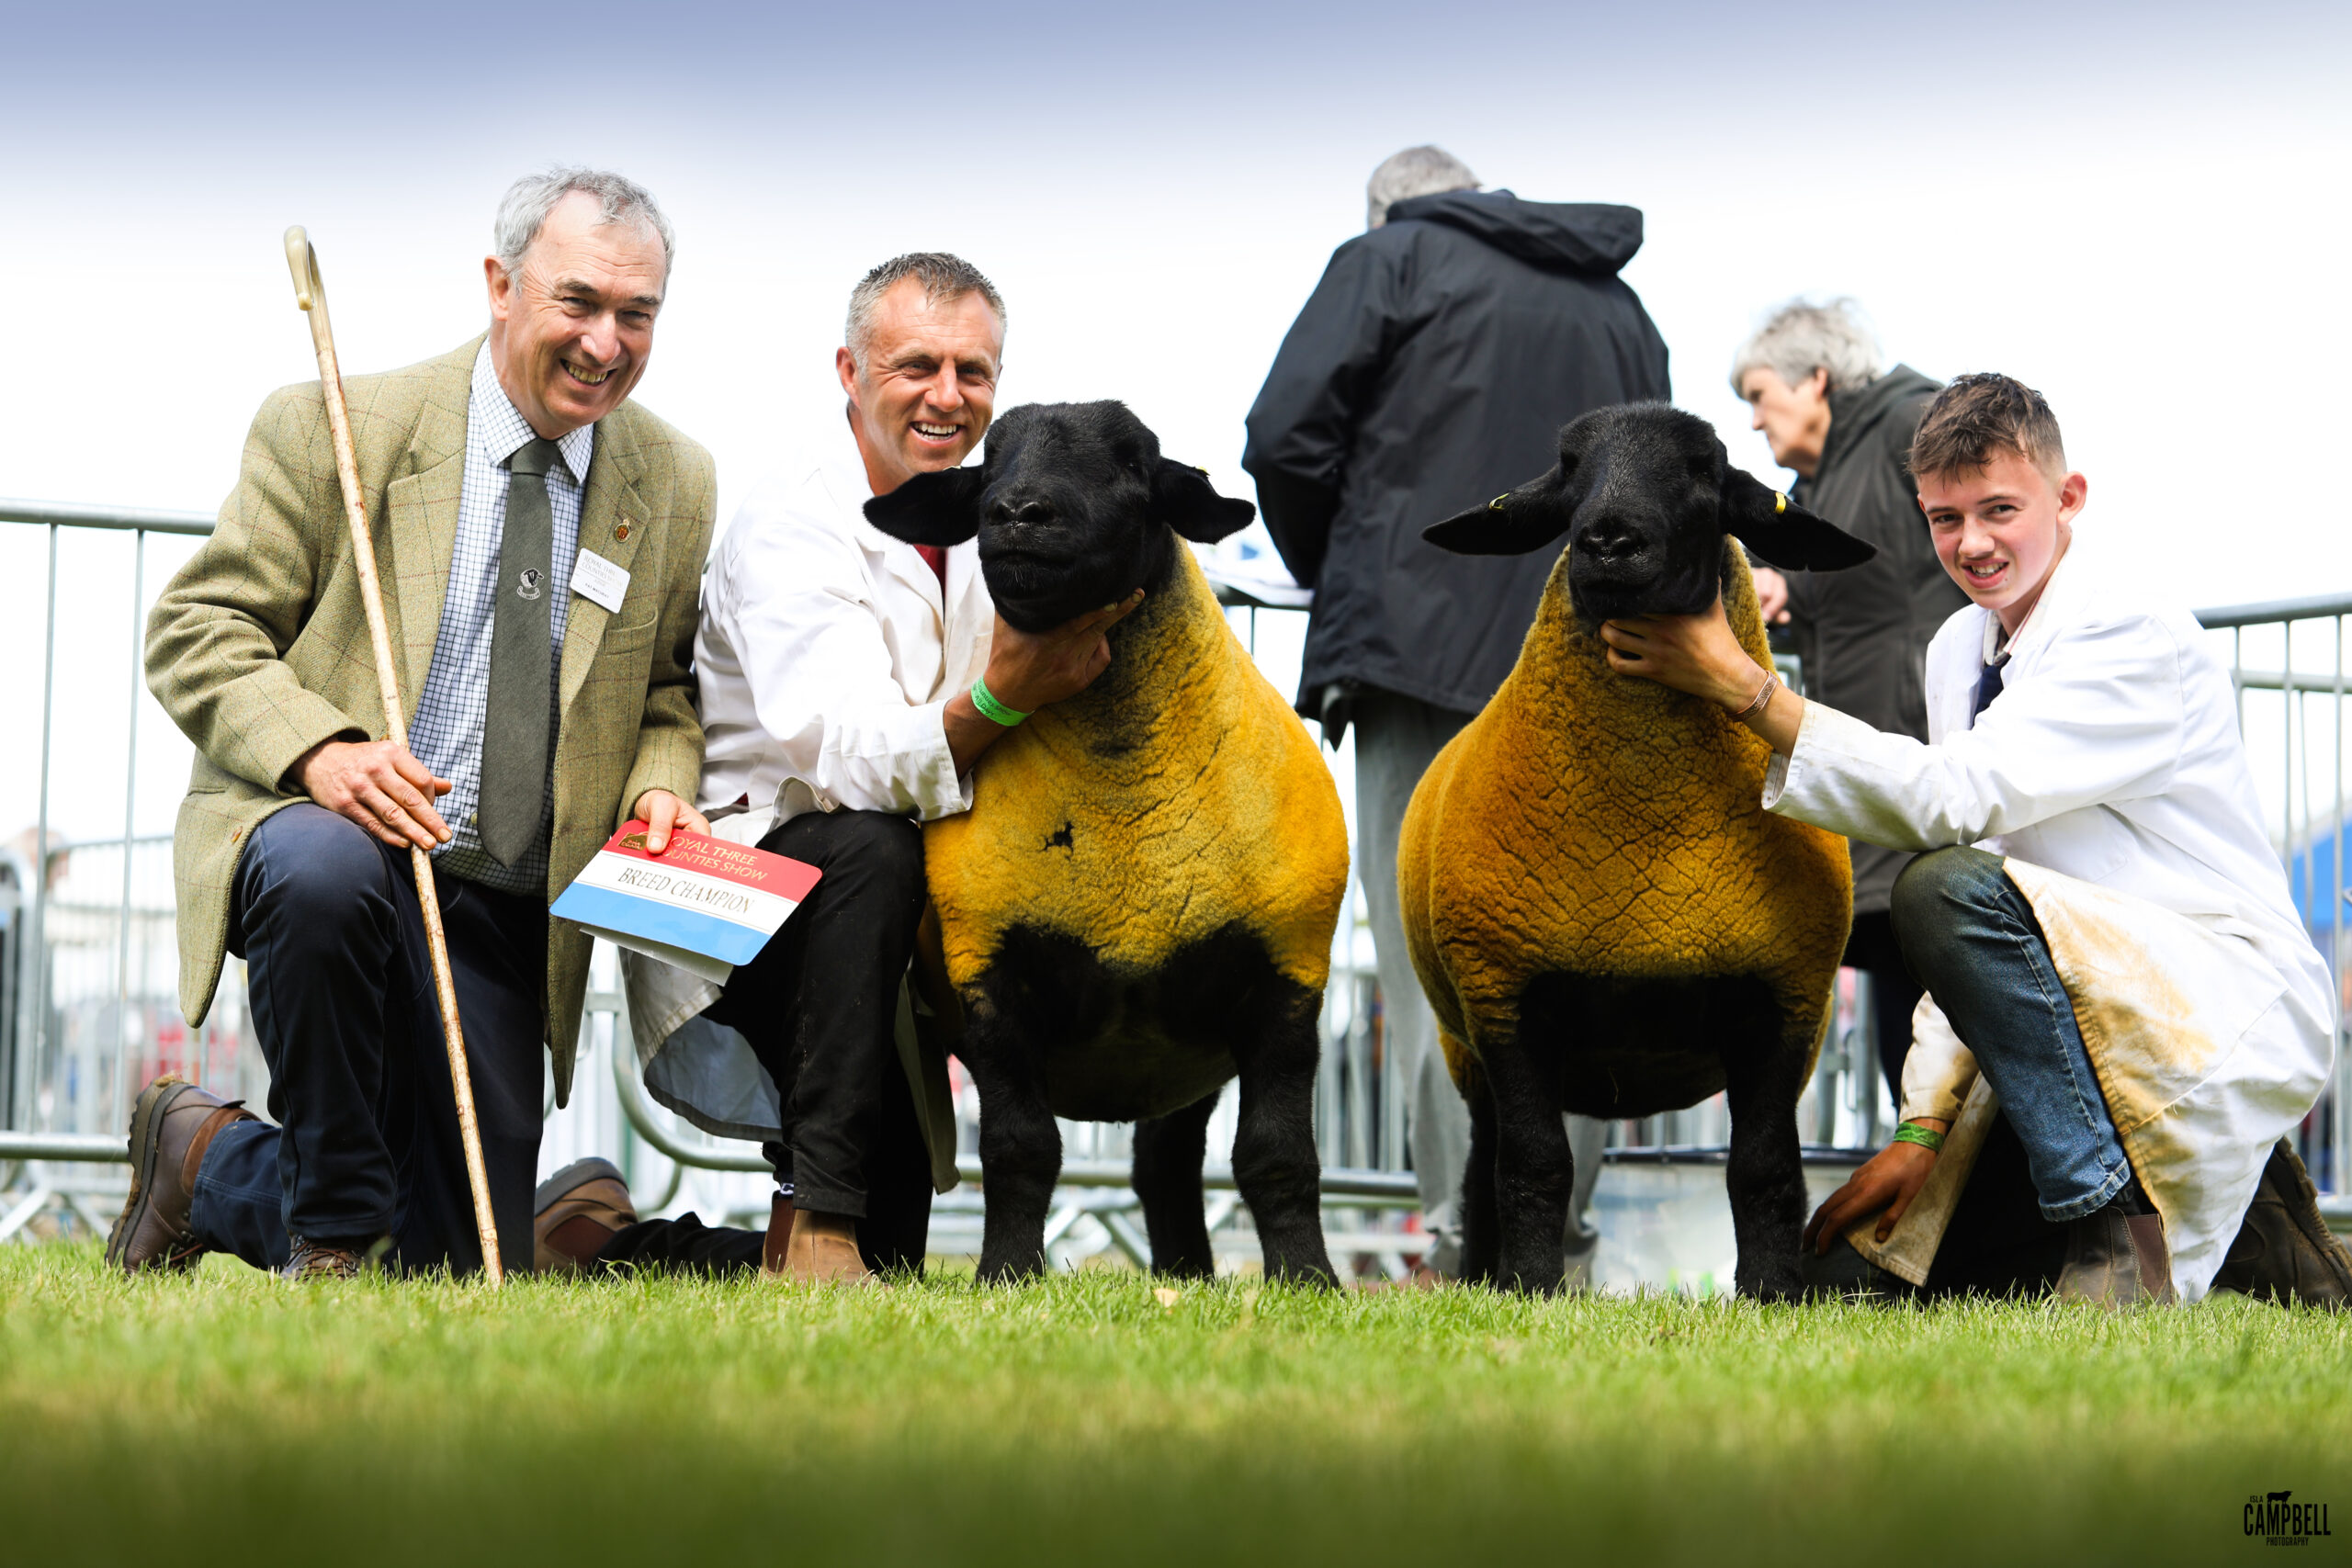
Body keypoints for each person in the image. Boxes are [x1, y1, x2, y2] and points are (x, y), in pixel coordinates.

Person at [1599, 373, 2346, 1305]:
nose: (1973, 543)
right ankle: (2264, 1242)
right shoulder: (1958, 648)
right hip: (2084, 1014)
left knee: (1935, 888)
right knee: (1851, 1280)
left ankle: (2114, 1228)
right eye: (1944, 519)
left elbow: (1959, 812)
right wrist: (1919, 1131)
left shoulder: (2128, 628)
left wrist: (1746, 688)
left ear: (2068, 499)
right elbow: (1999, 884)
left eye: (1999, 509)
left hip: (2204, 1000)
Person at [108, 169, 718, 1280]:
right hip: (330, 835)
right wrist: (322, 752)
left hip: (506, 900)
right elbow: (196, 627)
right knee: (325, 870)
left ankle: (201, 1160)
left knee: (442, 1269)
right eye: (576, 302)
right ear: (499, 285)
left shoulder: (675, 478)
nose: (605, 342)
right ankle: (330, 1232)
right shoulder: (331, 422)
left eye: (638, 314)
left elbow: (666, 695)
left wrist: (659, 787)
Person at [532, 254, 1141, 1283]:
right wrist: (1006, 696)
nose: (948, 396)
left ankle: (595, 1241)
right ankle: (813, 1218)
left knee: (893, 1257)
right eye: (915, 366)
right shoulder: (790, 521)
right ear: (848, 371)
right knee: (864, 845)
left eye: (974, 372)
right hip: (740, 895)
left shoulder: (994, 518)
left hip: (884, 925)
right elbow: (853, 762)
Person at [1242, 144, 1670, 1278]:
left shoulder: (1387, 260)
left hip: (1413, 652)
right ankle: (1556, 1245)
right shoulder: (1617, 301)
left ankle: (1458, 1234)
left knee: (1441, 952)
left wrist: (1339, 563)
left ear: (1386, 208)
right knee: (1575, 956)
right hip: (1587, 668)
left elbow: (1283, 436)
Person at [1732, 299, 1968, 1107]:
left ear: (1817, 380)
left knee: (1927, 966)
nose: (1755, 419)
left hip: (1922, 744)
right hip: (1867, 756)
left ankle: (1947, 1198)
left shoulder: (1913, 422)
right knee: (1893, 972)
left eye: (1761, 395)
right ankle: (1917, 1195)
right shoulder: (1818, 480)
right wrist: (1785, 585)